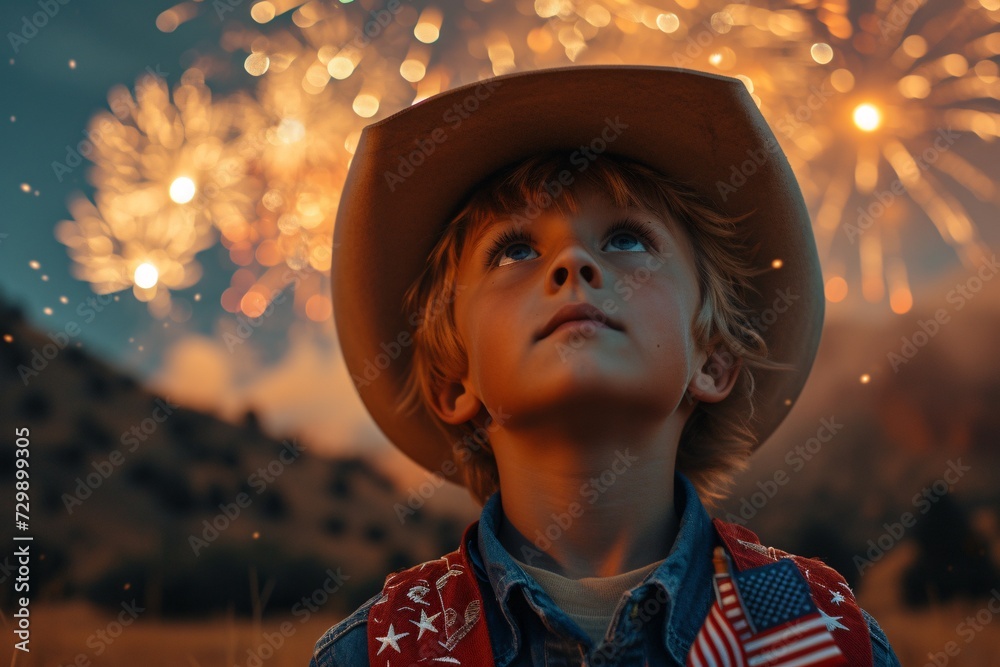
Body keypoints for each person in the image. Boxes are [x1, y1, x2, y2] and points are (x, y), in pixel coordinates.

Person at [311, 65, 901, 666]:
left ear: (714, 361)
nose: (572, 262)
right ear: (453, 380)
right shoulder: (376, 652)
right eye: (515, 250)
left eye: (626, 240)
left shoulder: (819, 636)